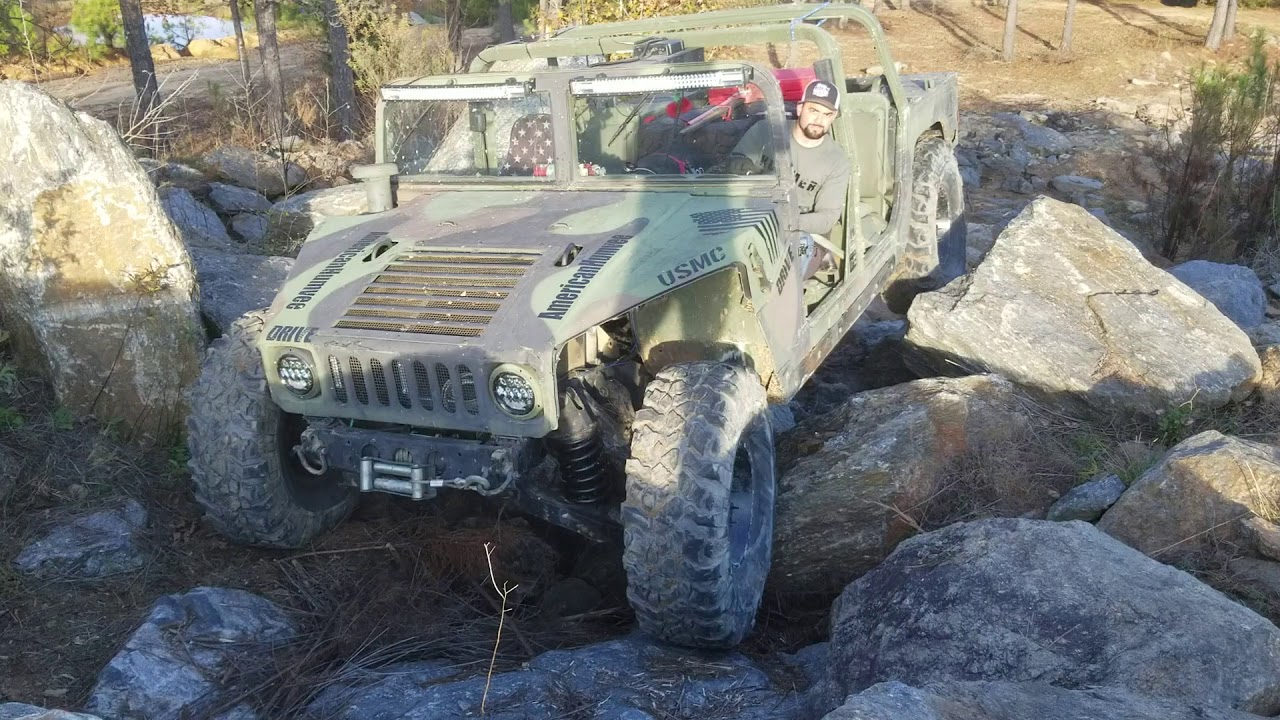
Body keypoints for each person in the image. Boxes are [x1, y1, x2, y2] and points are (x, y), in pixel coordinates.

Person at [729, 78, 852, 278]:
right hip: (752, 212)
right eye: (814, 110)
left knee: (792, 257)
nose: (819, 120)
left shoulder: (837, 161)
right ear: (800, 108)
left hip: (800, 232)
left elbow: (826, 218)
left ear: (834, 117)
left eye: (827, 114)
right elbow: (736, 163)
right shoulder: (766, 131)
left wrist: (786, 221)